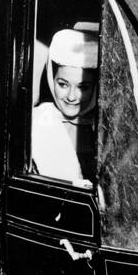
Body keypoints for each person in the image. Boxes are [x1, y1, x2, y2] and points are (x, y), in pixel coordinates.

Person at [31, 25, 99, 184]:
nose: (71, 97)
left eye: (83, 87)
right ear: (51, 79)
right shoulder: (36, 121)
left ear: (96, 87)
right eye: (63, 84)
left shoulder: (104, 126)